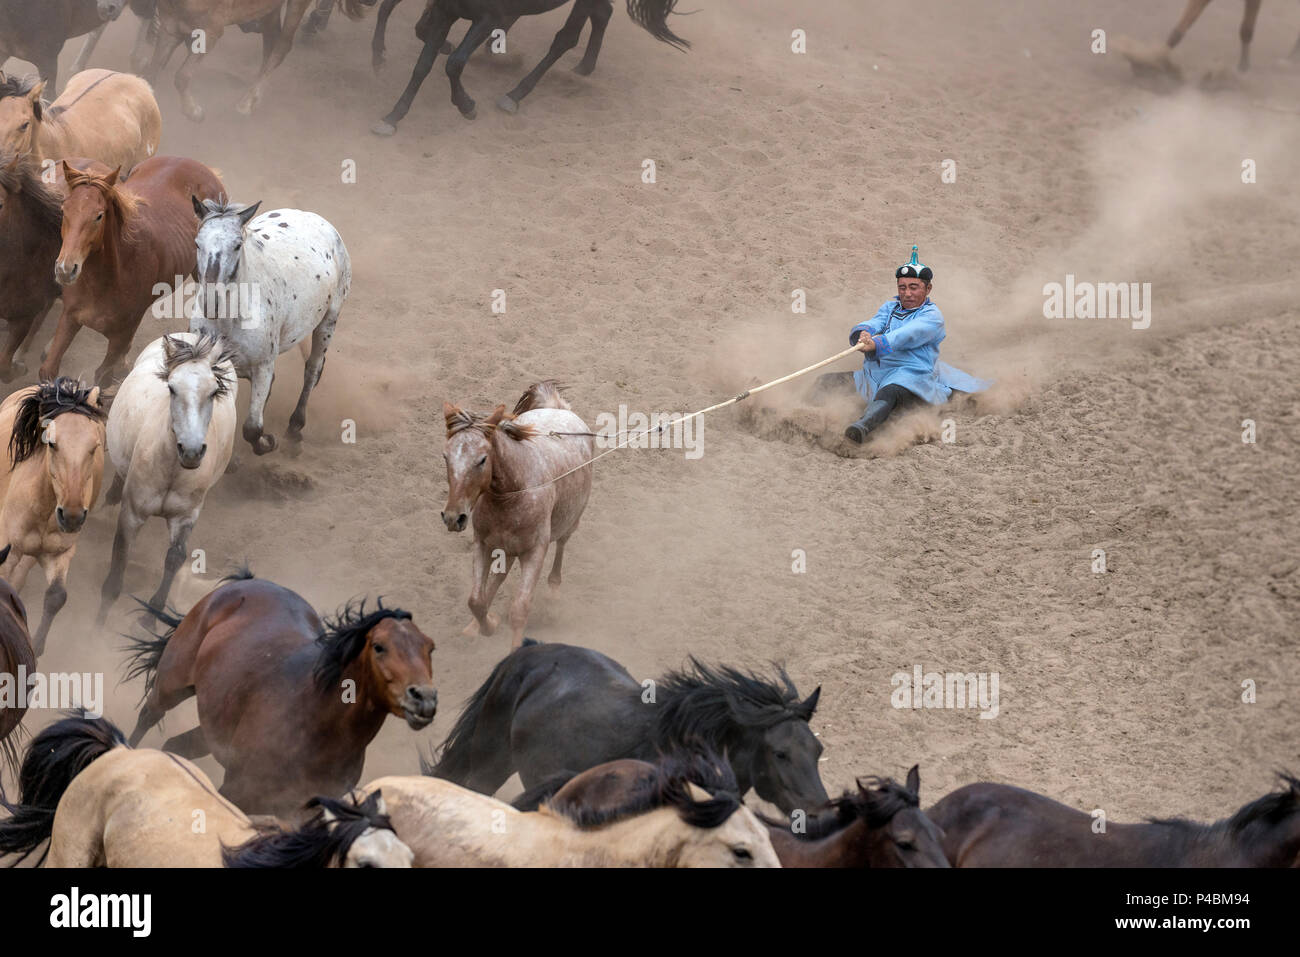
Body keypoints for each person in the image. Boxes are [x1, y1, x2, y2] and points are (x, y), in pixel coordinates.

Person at [815, 246, 990, 443]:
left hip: (910, 375)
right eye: (902, 287)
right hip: (875, 374)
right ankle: (803, 414)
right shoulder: (890, 307)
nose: (907, 293)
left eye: (913, 287)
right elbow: (876, 321)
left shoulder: (932, 317)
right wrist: (864, 332)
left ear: (927, 288)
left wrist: (876, 344)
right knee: (826, 381)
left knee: (891, 393)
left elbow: (906, 335)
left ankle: (862, 427)